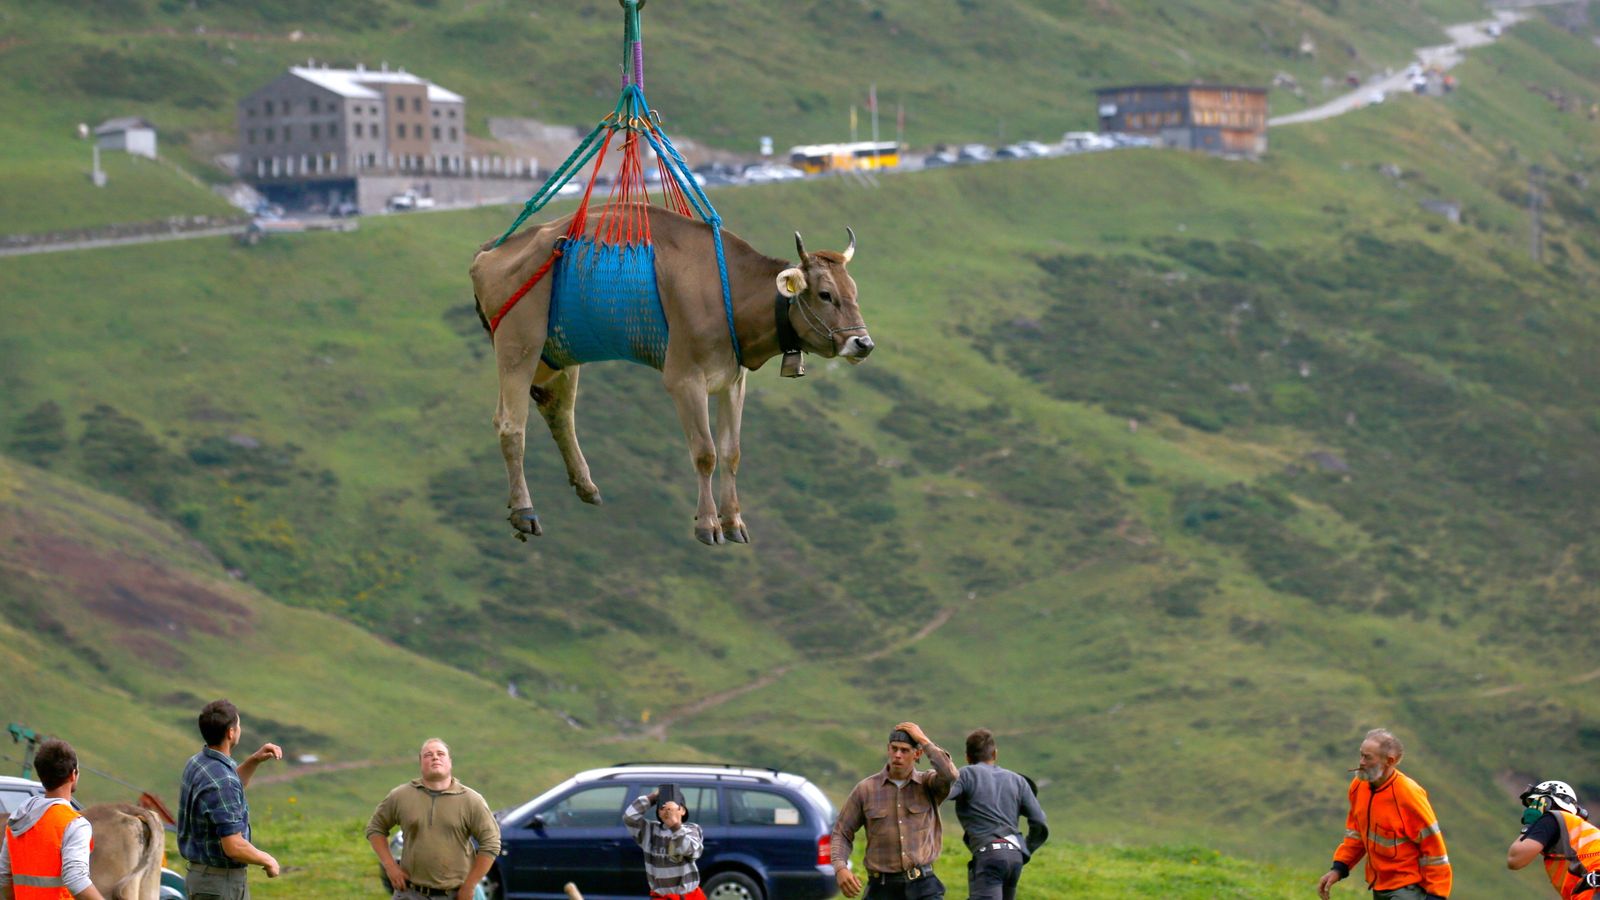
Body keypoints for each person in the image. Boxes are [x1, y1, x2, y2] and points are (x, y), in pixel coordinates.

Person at [1317, 728, 1451, 900]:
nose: (1361, 762)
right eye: (1361, 755)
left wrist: (1437, 896)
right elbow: (1356, 834)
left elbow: (1434, 849)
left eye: (1368, 757)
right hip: (1379, 886)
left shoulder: (1408, 795)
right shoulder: (1358, 786)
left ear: (1389, 761)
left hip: (1407, 888)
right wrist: (1338, 869)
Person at [831, 722, 958, 899]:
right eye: (894, 749)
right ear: (888, 749)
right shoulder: (865, 790)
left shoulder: (928, 784)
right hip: (881, 888)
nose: (898, 755)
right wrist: (840, 868)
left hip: (923, 887)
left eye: (905, 750)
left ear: (917, 753)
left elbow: (950, 774)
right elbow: (841, 832)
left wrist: (923, 739)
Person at [366, 738, 500, 900]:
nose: (435, 757)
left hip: (454, 894)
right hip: (410, 892)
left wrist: (470, 885)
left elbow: (491, 843)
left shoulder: (471, 800)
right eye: (428, 755)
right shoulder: (401, 796)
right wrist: (390, 866)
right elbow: (375, 829)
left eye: (440, 754)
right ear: (421, 763)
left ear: (449, 762)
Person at [178, 699, 282, 900]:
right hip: (220, 885)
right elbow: (233, 846)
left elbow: (224, 796)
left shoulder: (199, 762)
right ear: (231, 733)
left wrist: (254, 761)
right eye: (239, 725)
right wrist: (267, 860)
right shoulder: (222, 781)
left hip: (200, 878)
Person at [944, 728, 1047, 900]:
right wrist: (1026, 848)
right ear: (995, 754)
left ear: (967, 757)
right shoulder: (1018, 780)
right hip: (1015, 857)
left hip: (989, 854)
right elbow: (1039, 820)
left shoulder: (967, 774)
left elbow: (943, 793)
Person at [0, 739, 106, 900]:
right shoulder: (73, 824)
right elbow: (76, 879)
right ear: (73, 775)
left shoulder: (17, 821)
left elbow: (4, 877)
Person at [1506, 780, 1600, 897]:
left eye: (1534, 804)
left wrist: (1530, 825)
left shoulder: (1553, 818)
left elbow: (1515, 860)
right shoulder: (1578, 829)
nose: (1531, 808)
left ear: (1545, 801)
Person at [622, 784, 704, 899]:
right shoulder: (650, 831)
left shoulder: (691, 830)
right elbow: (629, 817)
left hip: (688, 895)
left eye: (672, 808)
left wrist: (675, 826)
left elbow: (692, 850)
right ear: (658, 813)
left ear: (683, 811)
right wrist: (652, 798)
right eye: (662, 808)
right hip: (661, 896)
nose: (667, 811)